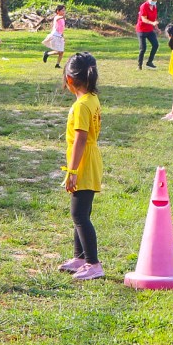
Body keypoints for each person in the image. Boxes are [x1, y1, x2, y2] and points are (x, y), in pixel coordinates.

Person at [58, 52, 104, 281]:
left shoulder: (81, 106)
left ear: (69, 80)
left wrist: (72, 171)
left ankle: (93, 263)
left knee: (79, 215)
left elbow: (80, 139)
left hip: (83, 163)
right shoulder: (92, 99)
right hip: (91, 159)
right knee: (83, 212)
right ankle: (80, 258)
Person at [136, 0, 159, 69]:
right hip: (141, 30)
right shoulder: (144, 6)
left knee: (155, 45)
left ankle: (149, 62)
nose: (154, 2)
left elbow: (154, 18)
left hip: (149, 30)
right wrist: (152, 23)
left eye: (155, 0)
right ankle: (139, 65)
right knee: (143, 48)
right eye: (153, 0)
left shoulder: (155, 7)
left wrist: (156, 28)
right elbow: (144, 19)